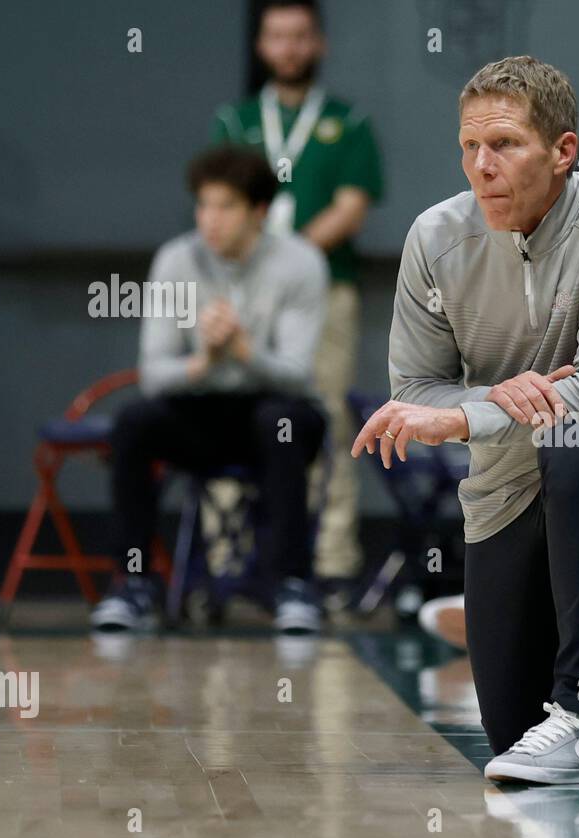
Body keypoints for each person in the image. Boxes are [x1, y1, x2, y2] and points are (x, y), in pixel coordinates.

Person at [352, 56, 579, 785]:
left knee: (573, 441)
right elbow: (417, 389)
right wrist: (495, 401)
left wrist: (469, 415)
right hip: (501, 493)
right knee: (511, 732)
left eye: (505, 145)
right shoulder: (434, 239)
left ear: (563, 151)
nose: (482, 166)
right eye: (469, 147)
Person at [91, 146, 329, 634]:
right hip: (199, 411)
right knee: (134, 421)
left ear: (259, 212)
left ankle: (291, 584)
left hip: (269, 410)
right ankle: (132, 584)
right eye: (203, 206)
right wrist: (204, 360)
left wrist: (244, 350)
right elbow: (154, 373)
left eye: (226, 207)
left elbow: (297, 374)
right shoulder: (176, 259)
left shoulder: (300, 263)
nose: (211, 220)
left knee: (281, 421)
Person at [211, 0, 384, 602]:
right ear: (261, 46)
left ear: (319, 45)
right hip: (244, 294)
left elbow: (353, 204)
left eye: (299, 37)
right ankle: (226, 558)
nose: (288, 48)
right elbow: (220, 203)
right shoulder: (235, 122)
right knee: (230, 411)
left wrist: (289, 259)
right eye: (276, 37)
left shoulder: (348, 121)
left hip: (323, 291)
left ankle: (332, 561)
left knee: (328, 417)